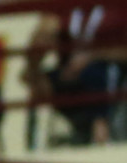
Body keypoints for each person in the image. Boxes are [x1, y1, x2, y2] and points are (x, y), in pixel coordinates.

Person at [27, 5, 126, 145]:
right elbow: (42, 36)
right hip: (70, 72)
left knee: (95, 74)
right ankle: (79, 129)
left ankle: (101, 128)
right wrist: (34, 70)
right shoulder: (65, 8)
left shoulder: (118, 8)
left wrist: (92, 56)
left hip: (105, 68)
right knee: (42, 81)